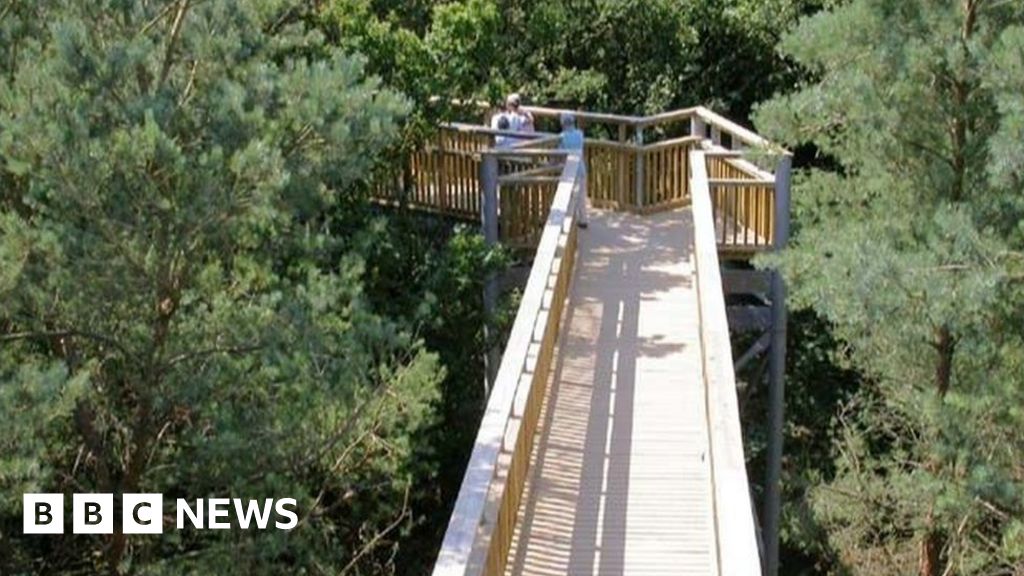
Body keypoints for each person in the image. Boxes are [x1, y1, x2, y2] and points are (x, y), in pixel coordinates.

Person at [559, 112, 588, 228]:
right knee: (581, 196)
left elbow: (559, 153)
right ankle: (583, 219)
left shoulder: (562, 137)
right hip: (580, 167)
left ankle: (570, 221)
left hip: (568, 170)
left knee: (569, 197)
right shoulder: (580, 134)